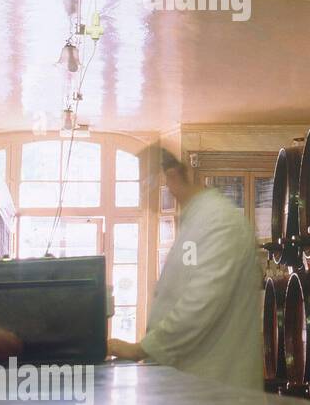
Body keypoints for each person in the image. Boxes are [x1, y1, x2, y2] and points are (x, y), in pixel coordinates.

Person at [106, 147, 262, 388]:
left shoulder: (219, 221)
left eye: (144, 183)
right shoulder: (197, 219)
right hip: (195, 388)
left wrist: (140, 349)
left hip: (217, 394)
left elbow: (200, 304)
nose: (141, 195)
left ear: (170, 176)